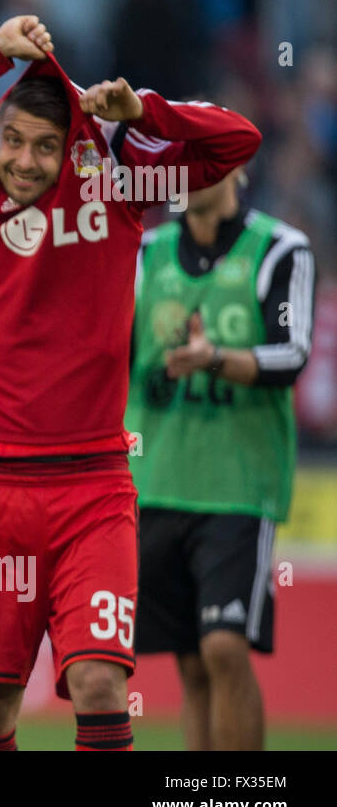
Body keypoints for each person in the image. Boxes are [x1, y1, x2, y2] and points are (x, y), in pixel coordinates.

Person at [0, 15, 261, 750]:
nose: (24, 162)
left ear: (71, 152)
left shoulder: (120, 187)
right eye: (13, 142)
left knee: (98, 683)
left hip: (95, 490)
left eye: (45, 148)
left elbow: (235, 139)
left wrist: (142, 111)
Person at [126, 168, 314, 750]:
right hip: (156, 480)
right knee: (191, 663)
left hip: (239, 483)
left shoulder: (280, 249)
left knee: (225, 647)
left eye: (206, 160)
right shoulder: (143, 251)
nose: (187, 176)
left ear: (238, 169)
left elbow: (293, 352)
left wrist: (214, 358)